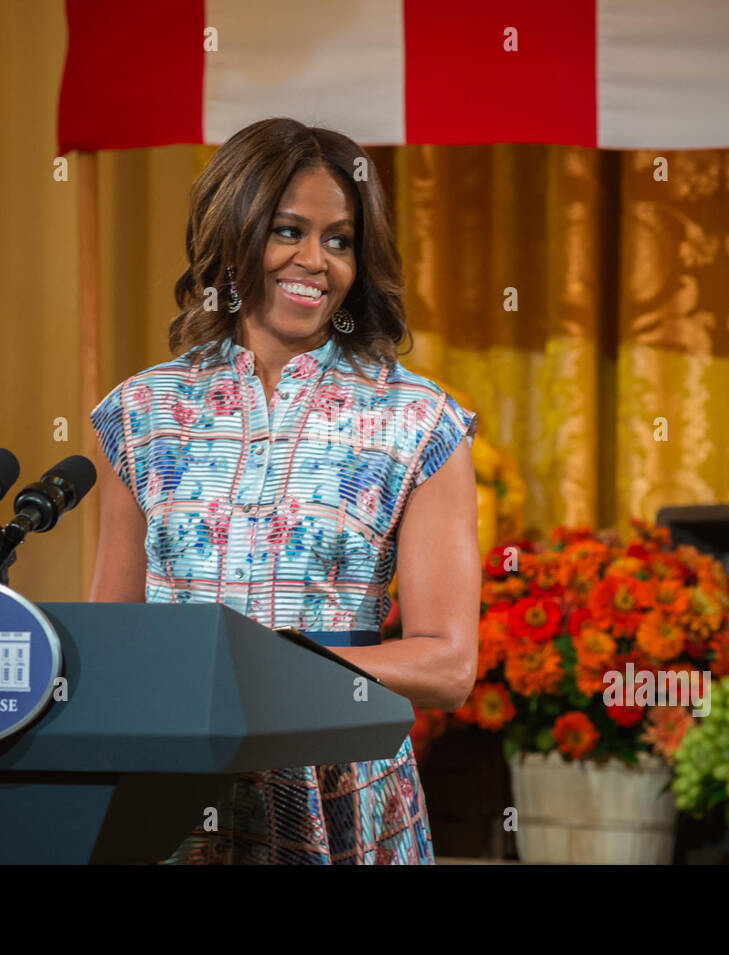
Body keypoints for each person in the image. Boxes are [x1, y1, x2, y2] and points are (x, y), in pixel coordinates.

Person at [88, 117, 481, 864]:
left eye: (338, 240)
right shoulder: (140, 414)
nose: (315, 260)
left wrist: (268, 671)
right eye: (287, 230)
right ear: (232, 238)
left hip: (344, 795)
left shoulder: (418, 419)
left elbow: (448, 664)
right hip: (172, 798)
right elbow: (114, 644)